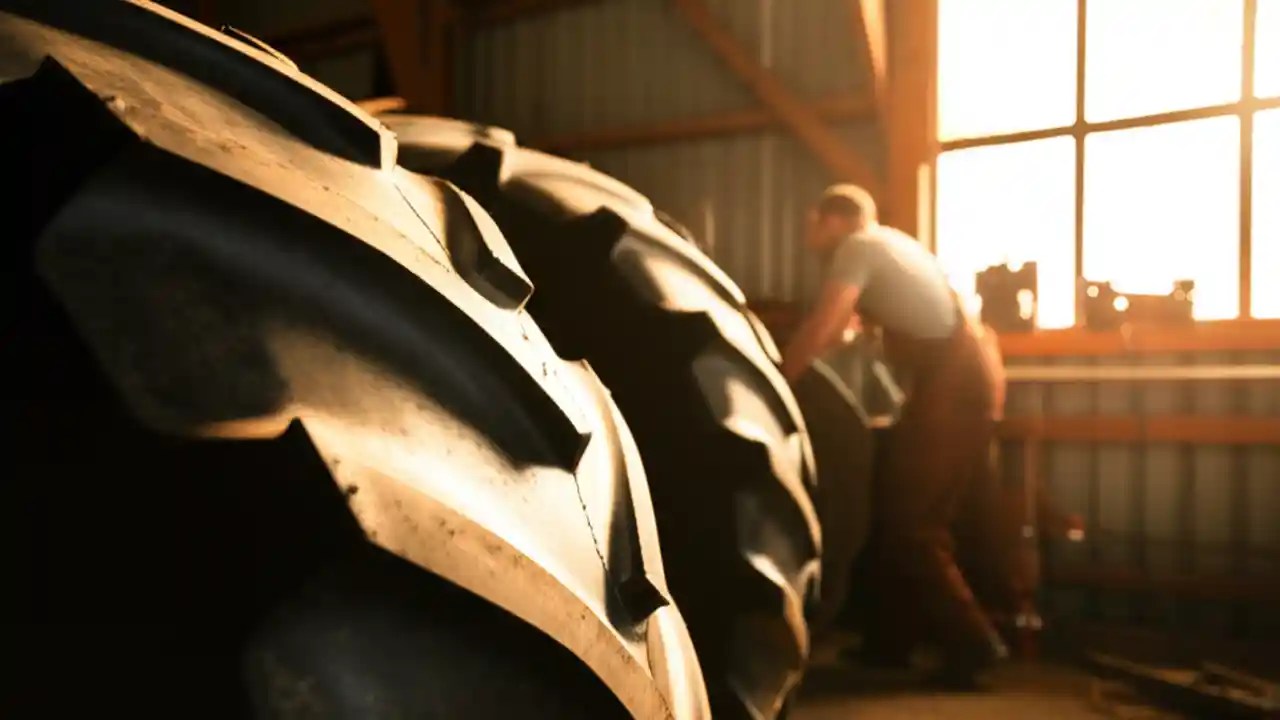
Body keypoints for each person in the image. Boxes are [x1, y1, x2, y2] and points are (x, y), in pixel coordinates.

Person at [781, 184, 1008, 689]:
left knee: (913, 525)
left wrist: (778, 378)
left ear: (830, 220)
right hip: (959, 381)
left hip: (955, 385)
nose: (810, 238)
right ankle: (891, 642)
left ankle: (976, 645)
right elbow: (845, 331)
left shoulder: (858, 247)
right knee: (892, 507)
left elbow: (825, 327)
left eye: (812, 226)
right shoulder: (893, 246)